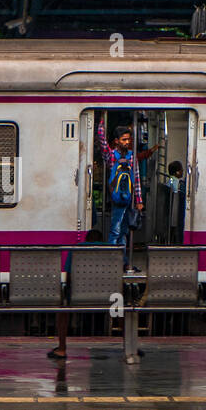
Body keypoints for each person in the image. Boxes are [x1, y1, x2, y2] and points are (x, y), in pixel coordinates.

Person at [96, 114, 143, 274]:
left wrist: (139, 200)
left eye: (128, 139)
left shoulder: (131, 157)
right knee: (116, 231)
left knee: (122, 233)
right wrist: (102, 121)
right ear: (116, 141)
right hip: (118, 200)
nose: (127, 142)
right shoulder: (111, 156)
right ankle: (112, 262)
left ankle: (121, 262)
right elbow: (102, 143)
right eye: (124, 140)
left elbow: (136, 179)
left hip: (128, 199)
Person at [49, 229, 103, 359]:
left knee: (62, 310)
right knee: (123, 309)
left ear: (86, 240)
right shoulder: (113, 249)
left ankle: (62, 349)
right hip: (108, 297)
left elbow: (68, 276)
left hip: (78, 296)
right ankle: (130, 349)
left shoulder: (76, 250)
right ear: (102, 241)